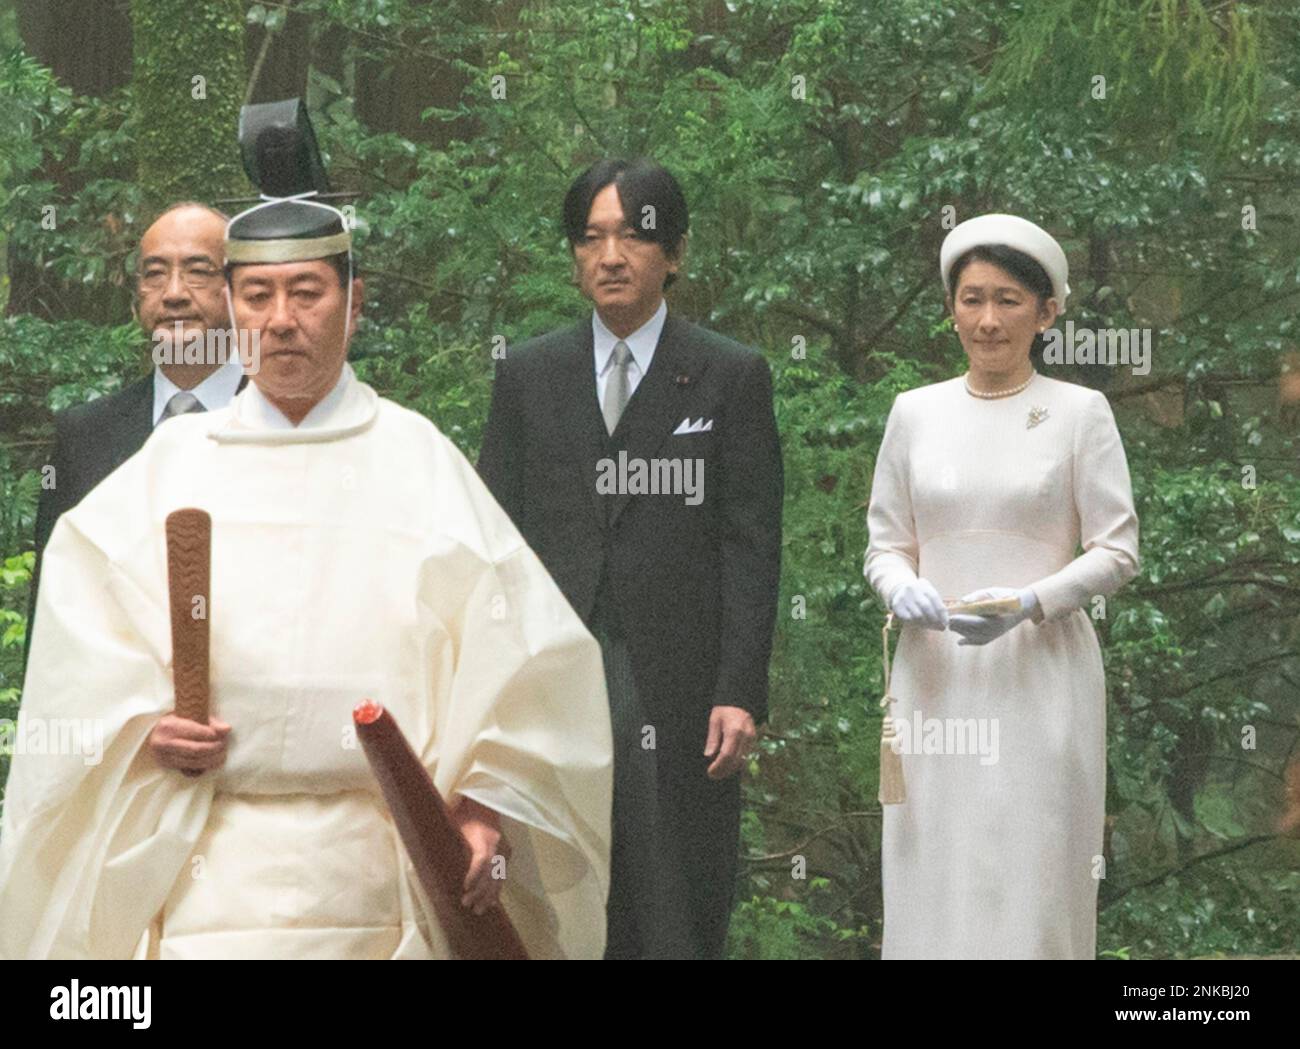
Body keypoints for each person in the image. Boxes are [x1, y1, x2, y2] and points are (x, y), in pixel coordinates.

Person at [0, 186, 612, 959]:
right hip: (205, 860)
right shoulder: (171, 466)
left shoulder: (417, 460)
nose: (282, 319)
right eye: (257, 294)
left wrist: (484, 807)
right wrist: (142, 728)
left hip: (382, 869)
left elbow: (529, 668)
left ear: (353, 304)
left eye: (307, 293)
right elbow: (80, 646)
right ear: (230, 306)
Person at [477, 158, 783, 959]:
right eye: (592, 238)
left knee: (675, 895)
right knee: (559, 890)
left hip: (680, 683)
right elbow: (494, 539)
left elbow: (750, 544)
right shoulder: (528, 376)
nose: (611, 255)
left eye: (633, 236)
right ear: (575, 258)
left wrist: (739, 690)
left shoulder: (729, 375)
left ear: (674, 253)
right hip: (556, 671)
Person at [863, 213, 1140, 959]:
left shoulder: (1080, 413)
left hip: (1040, 672)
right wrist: (902, 588)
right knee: (935, 864)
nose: (987, 320)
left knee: (1032, 866)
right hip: (935, 670)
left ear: (1047, 312)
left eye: (1009, 300)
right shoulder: (914, 413)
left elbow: (1117, 548)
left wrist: (1030, 601)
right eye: (972, 298)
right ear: (951, 306)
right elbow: (885, 544)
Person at [26, 202, 246, 662]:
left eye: (198, 271)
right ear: (135, 300)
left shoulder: (280, 418)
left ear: (240, 291)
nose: (173, 294)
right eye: (154, 274)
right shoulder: (85, 435)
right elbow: (51, 614)